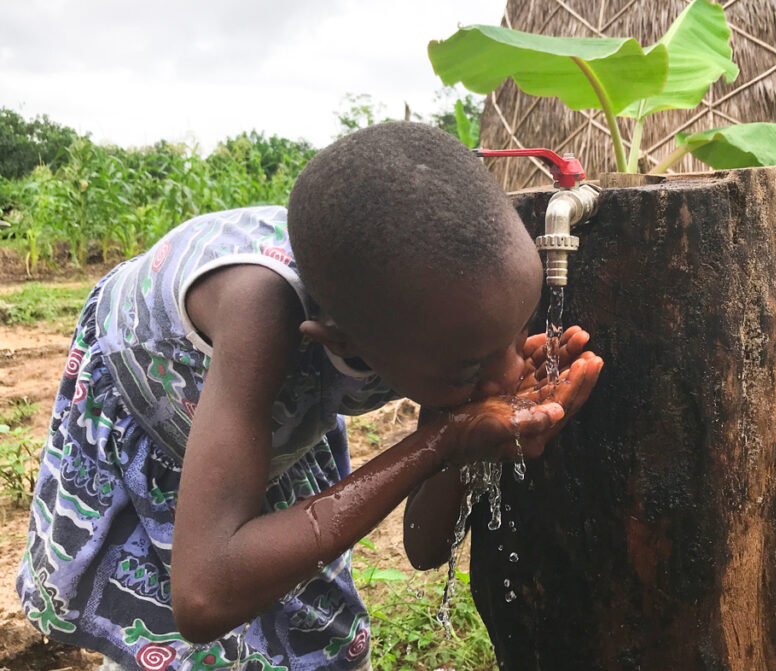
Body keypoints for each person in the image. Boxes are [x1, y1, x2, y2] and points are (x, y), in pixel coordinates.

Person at [17, 122, 603, 671]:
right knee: (192, 644)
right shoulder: (264, 313)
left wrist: (473, 442)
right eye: (475, 365)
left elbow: (424, 547)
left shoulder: (439, 331)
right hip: (162, 388)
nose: (508, 374)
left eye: (516, 333)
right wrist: (441, 440)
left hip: (274, 395)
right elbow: (203, 594)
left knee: (311, 619)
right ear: (342, 343)